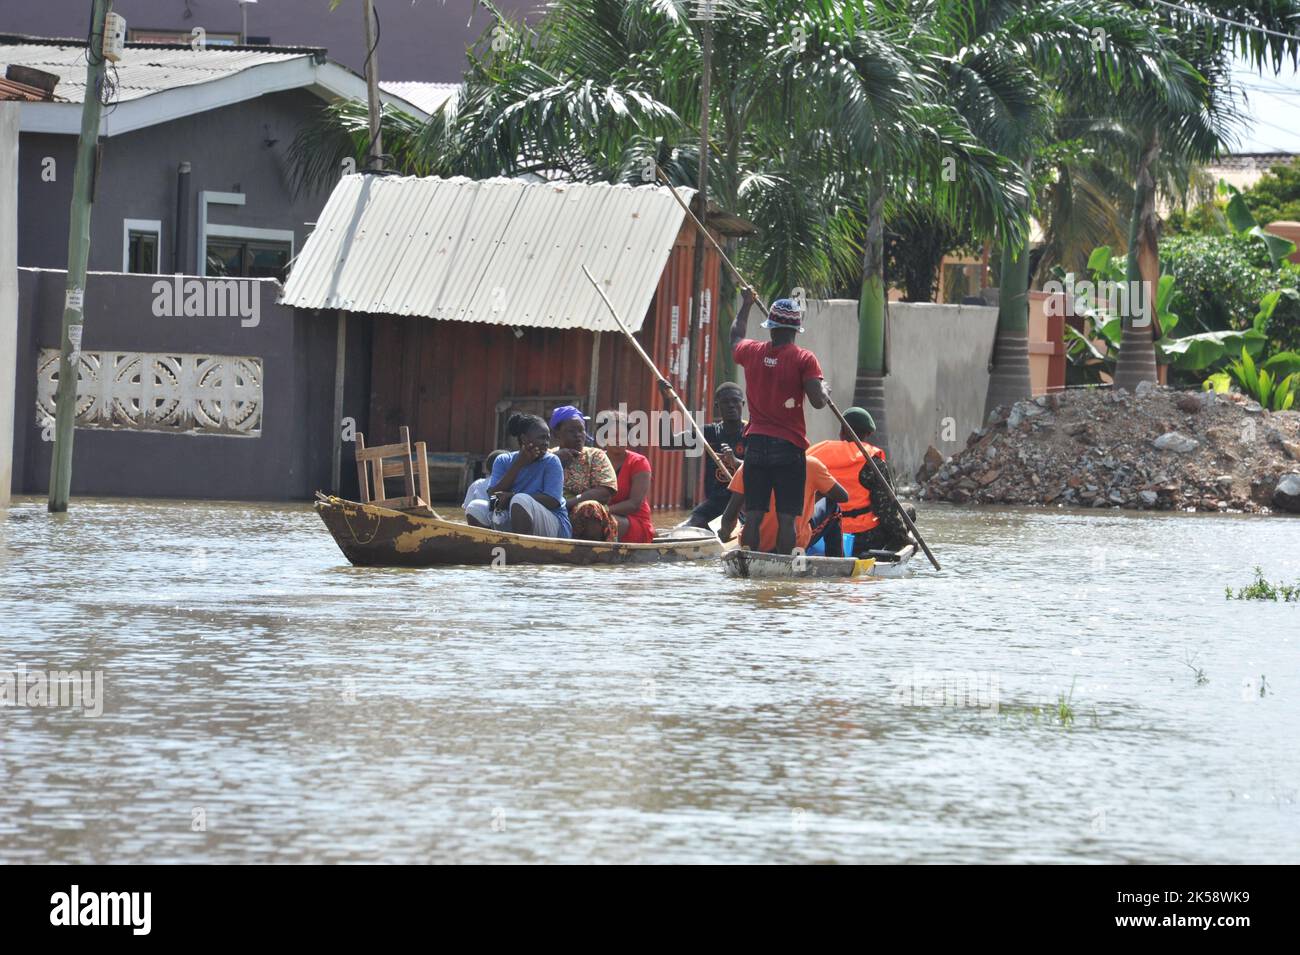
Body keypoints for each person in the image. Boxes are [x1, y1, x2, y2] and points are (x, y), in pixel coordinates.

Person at [730, 288, 831, 554]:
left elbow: (735, 336)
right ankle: (783, 569)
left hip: (756, 444)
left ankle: (749, 561)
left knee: (753, 513)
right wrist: (825, 388)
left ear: (770, 328)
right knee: (788, 517)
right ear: (796, 330)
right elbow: (819, 401)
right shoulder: (804, 358)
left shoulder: (751, 352)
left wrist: (746, 304)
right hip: (788, 447)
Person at [807, 407, 912, 556]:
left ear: (841, 430)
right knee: (908, 511)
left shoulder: (815, 452)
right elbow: (887, 510)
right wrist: (903, 539)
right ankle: (886, 553)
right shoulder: (872, 460)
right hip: (861, 538)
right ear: (868, 434)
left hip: (816, 531)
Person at [464, 413, 571, 538]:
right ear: (524, 438)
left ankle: (523, 550)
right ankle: (488, 548)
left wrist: (511, 497)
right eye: (541, 438)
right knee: (474, 507)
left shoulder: (551, 461)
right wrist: (519, 464)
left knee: (520, 499)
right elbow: (492, 495)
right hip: (513, 517)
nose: (546, 443)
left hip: (553, 524)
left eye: (547, 438)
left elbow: (553, 501)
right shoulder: (503, 460)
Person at [660, 381, 749, 529]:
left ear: (743, 404)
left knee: (736, 530)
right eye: (725, 402)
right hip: (715, 502)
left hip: (742, 503)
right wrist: (667, 403)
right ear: (717, 406)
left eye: (735, 401)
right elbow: (666, 443)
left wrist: (734, 461)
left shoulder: (751, 434)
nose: (731, 406)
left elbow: (757, 470)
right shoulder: (709, 432)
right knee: (683, 530)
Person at [718, 456, 848, 554]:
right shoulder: (810, 464)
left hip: (754, 546)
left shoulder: (749, 464)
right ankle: (837, 564)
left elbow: (729, 517)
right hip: (793, 545)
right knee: (833, 506)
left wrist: (724, 533)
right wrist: (813, 495)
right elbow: (842, 496)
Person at [549, 405, 619, 541]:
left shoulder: (595, 455)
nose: (578, 435)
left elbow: (605, 492)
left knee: (590, 508)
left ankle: (591, 555)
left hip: (588, 519)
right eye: (571, 431)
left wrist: (568, 504)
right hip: (553, 514)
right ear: (556, 433)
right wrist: (555, 461)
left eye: (581, 430)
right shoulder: (548, 457)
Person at [595, 410, 655, 544]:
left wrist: (603, 511)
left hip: (634, 522)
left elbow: (634, 504)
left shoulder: (639, 462)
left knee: (600, 524)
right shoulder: (596, 460)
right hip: (599, 517)